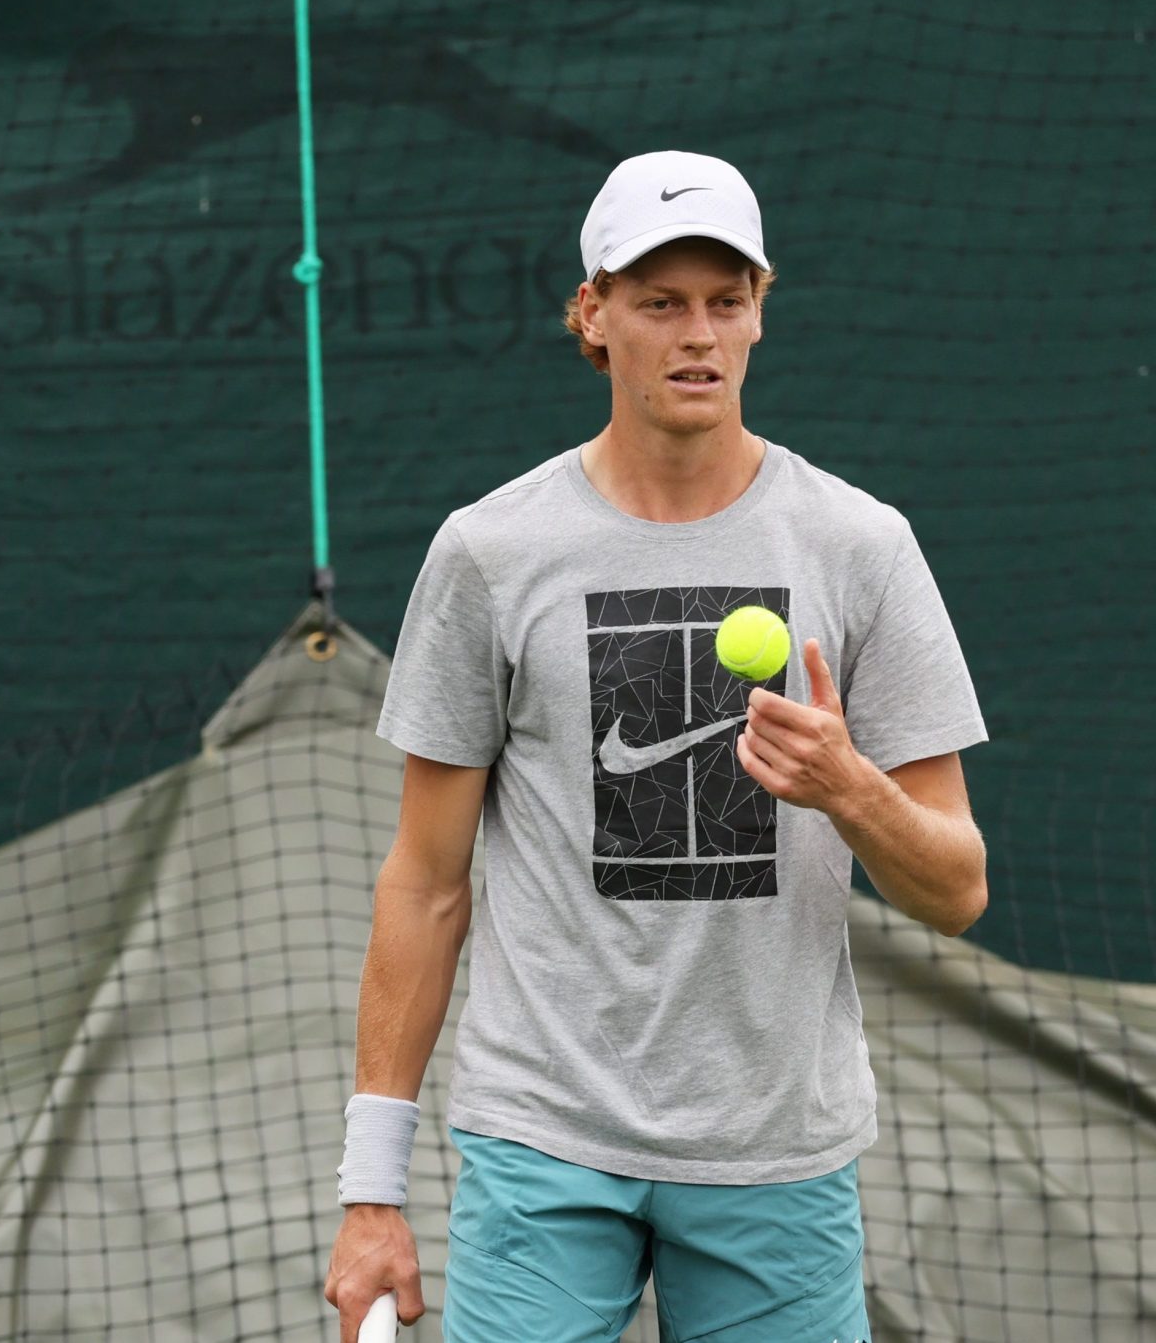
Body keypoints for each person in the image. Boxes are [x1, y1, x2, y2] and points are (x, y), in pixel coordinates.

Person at [323, 151, 989, 1343]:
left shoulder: (860, 545)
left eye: (724, 300)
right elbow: (424, 885)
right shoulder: (489, 551)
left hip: (774, 1147)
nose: (697, 334)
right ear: (592, 314)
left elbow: (953, 887)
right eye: (658, 300)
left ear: (758, 313)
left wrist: (846, 788)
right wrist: (371, 1188)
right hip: (542, 1135)